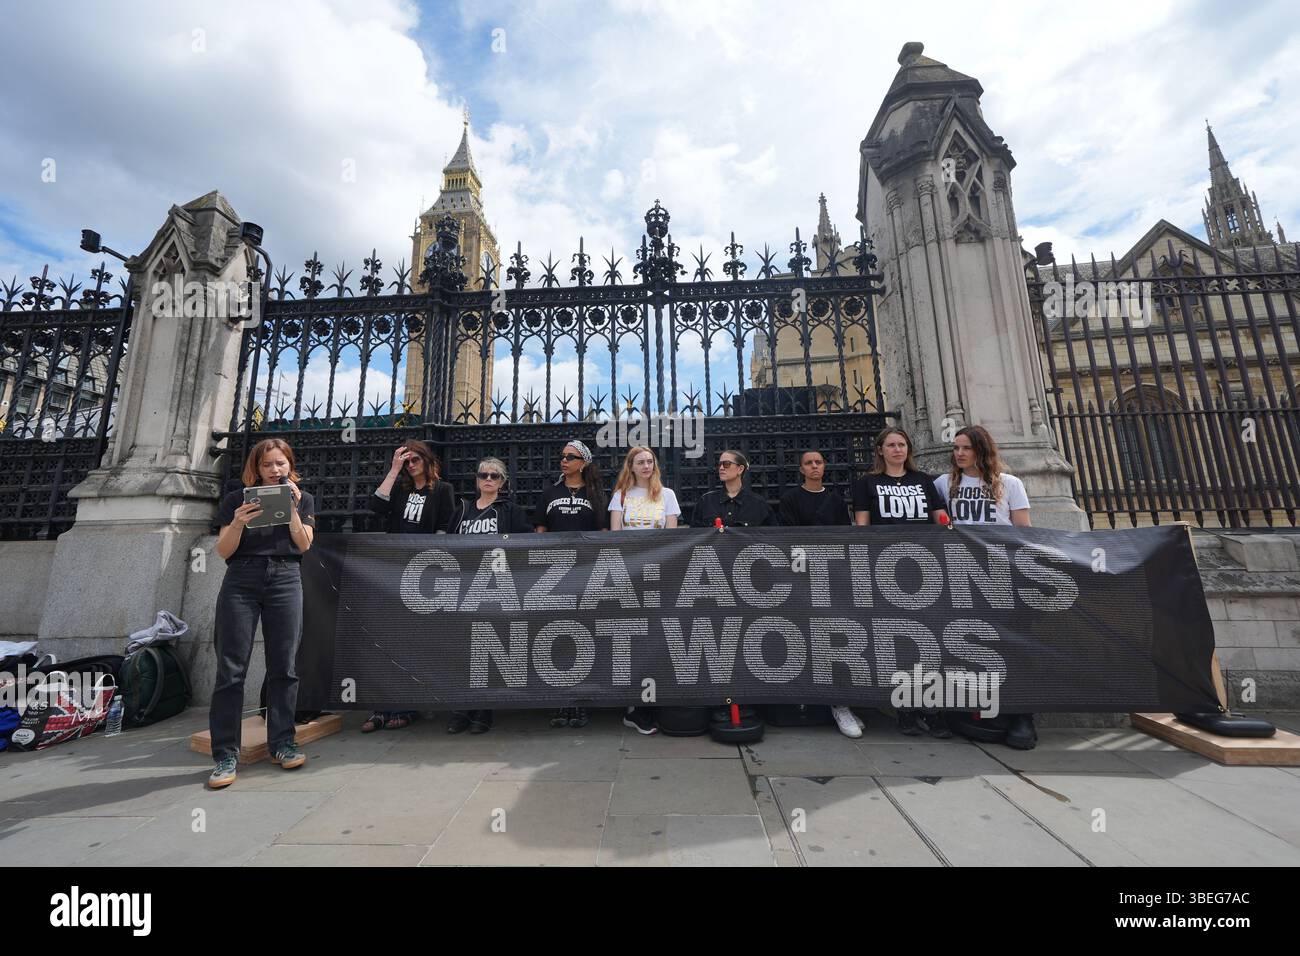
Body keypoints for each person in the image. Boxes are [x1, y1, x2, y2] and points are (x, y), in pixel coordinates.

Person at [208, 438, 316, 789]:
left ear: (290, 466)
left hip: (285, 576)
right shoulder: (235, 500)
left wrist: (295, 511)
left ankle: (282, 742)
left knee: (284, 665)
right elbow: (223, 549)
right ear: (256, 468)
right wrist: (238, 522)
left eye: (281, 464)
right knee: (231, 669)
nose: (275, 470)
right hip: (242, 578)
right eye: (268, 465)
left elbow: (305, 544)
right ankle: (225, 752)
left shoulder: (304, 499)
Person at [933, 425, 1036, 750]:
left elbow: (1024, 533)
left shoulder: (1010, 484)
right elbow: (940, 529)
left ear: (981, 450)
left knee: (1012, 647)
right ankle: (970, 710)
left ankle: (1021, 715)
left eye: (966, 448)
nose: (959, 453)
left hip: (1004, 574)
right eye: (956, 448)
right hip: (961, 576)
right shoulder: (943, 485)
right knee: (966, 645)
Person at [852, 427, 951, 740]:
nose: (897, 450)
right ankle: (905, 708)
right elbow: (862, 528)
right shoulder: (867, 483)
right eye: (891, 445)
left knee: (931, 640)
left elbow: (941, 520)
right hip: (887, 570)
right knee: (900, 641)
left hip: (926, 570)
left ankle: (932, 709)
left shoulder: (924, 482)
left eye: (902, 444)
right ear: (880, 450)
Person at [361, 440, 454, 734]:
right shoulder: (400, 488)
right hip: (392, 569)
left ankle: (404, 705)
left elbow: (444, 529)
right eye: (407, 460)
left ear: (427, 460)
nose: (411, 464)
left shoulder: (442, 490)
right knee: (385, 637)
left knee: (410, 639)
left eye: (415, 460)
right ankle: (381, 706)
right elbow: (376, 507)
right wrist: (393, 469)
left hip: (422, 572)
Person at [445, 456, 534, 734]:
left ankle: (484, 708)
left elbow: (527, 544)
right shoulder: (462, 510)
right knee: (463, 648)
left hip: (497, 588)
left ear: (502, 482)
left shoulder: (510, 511)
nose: (488, 479)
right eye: (484, 474)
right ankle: (462, 706)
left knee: (489, 648)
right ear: (476, 479)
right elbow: (446, 545)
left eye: (495, 476)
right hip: (464, 588)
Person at [607, 446, 681, 735]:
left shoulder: (667, 495)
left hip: (658, 574)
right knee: (632, 637)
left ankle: (656, 698)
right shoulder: (620, 496)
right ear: (631, 466)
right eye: (641, 462)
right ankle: (634, 706)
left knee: (658, 634)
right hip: (629, 574)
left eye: (650, 461)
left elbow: (672, 537)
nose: (647, 465)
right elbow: (615, 538)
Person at [534, 440, 608, 728]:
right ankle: (560, 700)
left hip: (586, 575)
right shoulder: (550, 492)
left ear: (583, 463)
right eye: (562, 456)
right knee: (556, 636)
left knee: (585, 637)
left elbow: (603, 533)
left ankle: (581, 701)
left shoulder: (595, 494)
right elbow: (540, 530)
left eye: (570, 457)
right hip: (553, 577)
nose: (563, 461)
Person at [690, 450, 778, 528]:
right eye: (720, 464)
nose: (721, 468)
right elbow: (694, 536)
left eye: (726, 464)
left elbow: (771, 538)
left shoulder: (758, 504)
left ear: (740, 469)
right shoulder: (706, 501)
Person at [778, 449, 850, 527]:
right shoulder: (789, 499)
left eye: (818, 462)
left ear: (824, 467)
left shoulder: (836, 500)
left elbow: (845, 530)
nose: (814, 466)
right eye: (808, 463)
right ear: (802, 470)